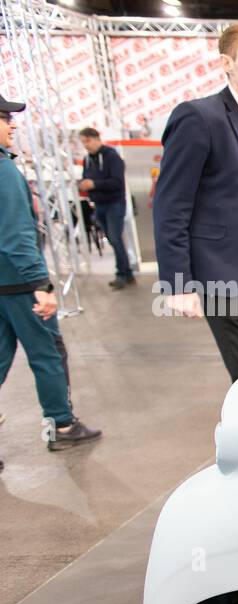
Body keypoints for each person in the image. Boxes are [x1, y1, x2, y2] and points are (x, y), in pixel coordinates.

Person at [152, 21, 238, 382]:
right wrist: (177, 282)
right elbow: (170, 205)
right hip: (224, 272)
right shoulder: (199, 118)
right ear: (227, 63)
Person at [0, 93, 102, 468]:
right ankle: (62, 425)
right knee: (47, 354)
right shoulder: (4, 171)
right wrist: (40, 284)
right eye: (4, 118)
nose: (12, 125)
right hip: (18, 285)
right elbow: (16, 236)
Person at [77, 127, 134, 289]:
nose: (85, 145)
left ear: (96, 138)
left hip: (115, 203)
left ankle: (122, 274)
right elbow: (86, 178)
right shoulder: (88, 160)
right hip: (99, 204)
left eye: (87, 141)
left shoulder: (112, 157)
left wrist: (94, 184)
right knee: (113, 239)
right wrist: (84, 184)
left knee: (115, 238)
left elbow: (117, 182)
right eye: (83, 142)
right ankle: (127, 273)